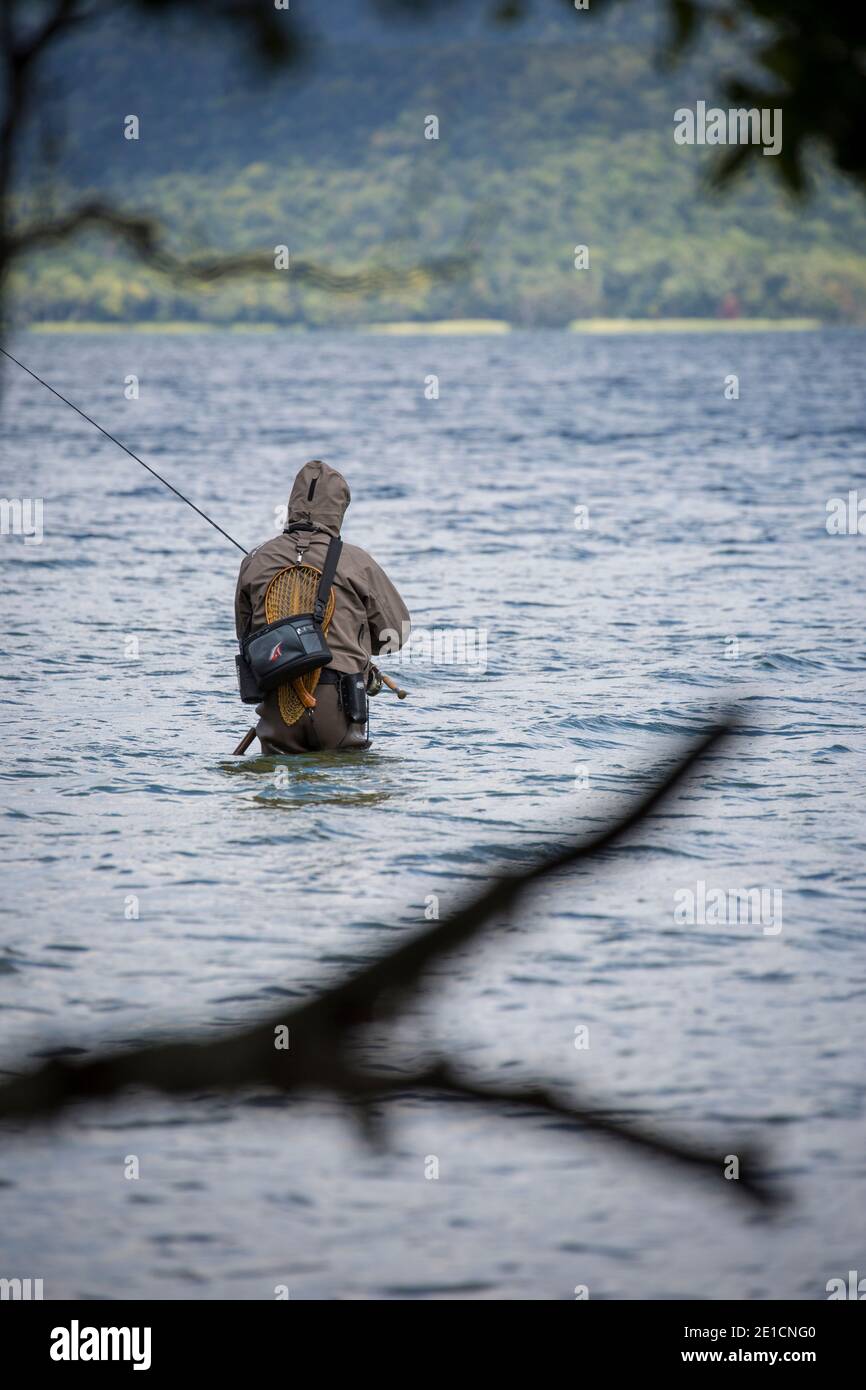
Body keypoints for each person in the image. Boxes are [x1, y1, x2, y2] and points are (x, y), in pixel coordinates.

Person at [235, 460, 409, 754]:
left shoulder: (255, 560)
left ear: (292, 505)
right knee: (344, 790)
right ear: (339, 509)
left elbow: (247, 638)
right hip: (339, 708)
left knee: (280, 794)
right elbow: (395, 635)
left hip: (277, 709)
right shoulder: (358, 562)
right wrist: (358, 643)